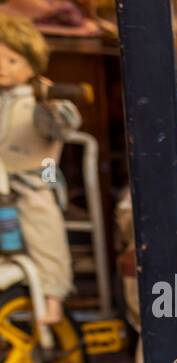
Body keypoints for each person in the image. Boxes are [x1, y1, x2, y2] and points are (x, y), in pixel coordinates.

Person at [0, 11, 79, 329]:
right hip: (2, 181)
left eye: (12, 61)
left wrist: (53, 109)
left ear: (32, 65)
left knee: (43, 225)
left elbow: (62, 123)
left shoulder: (35, 100)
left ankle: (52, 296)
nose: (2, 67)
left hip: (36, 177)